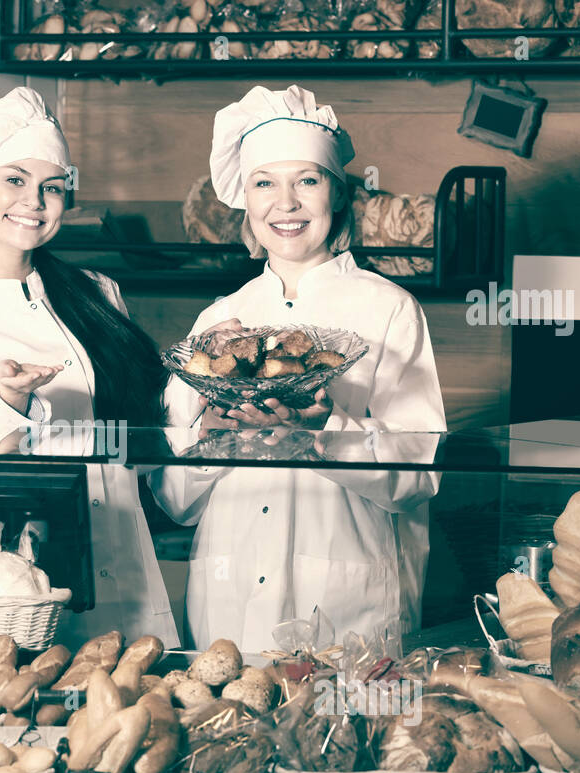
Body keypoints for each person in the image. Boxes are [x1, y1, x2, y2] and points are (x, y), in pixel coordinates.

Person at [150, 85, 446, 653]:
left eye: (305, 181)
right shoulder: (217, 324)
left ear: (335, 192)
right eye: (265, 183)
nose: (285, 204)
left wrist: (324, 432)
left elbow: (419, 479)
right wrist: (208, 445)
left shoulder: (389, 310)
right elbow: (173, 499)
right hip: (225, 602)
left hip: (345, 603)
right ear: (246, 199)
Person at [0, 87, 180, 649]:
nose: (35, 201)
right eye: (15, 180)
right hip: (10, 575)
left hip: (119, 547)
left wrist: (208, 397)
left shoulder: (97, 294)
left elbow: (144, 417)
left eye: (52, 187)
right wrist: (10, 403)